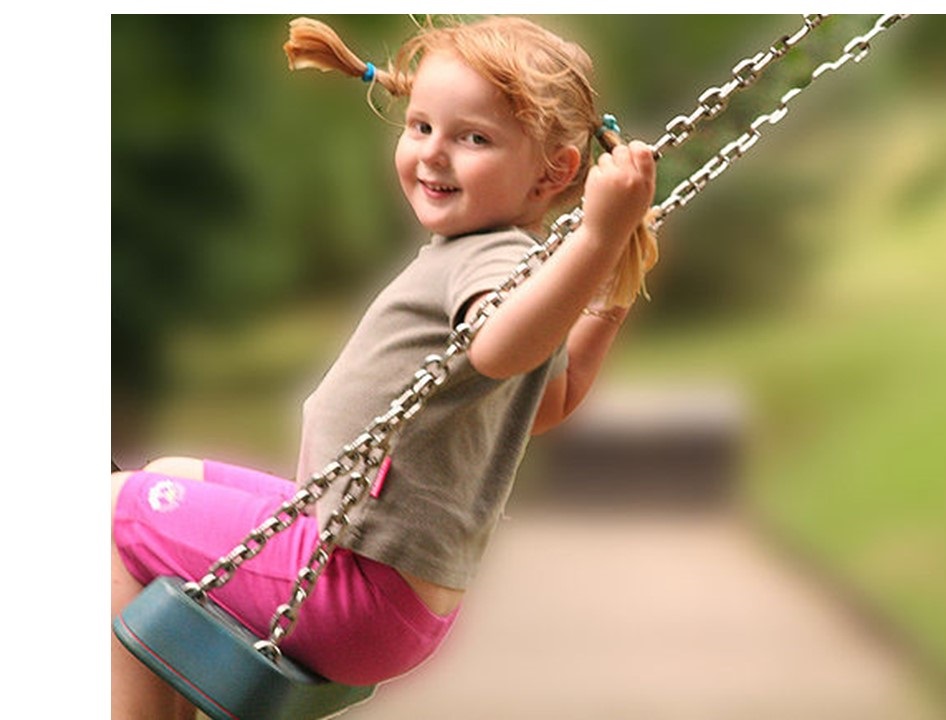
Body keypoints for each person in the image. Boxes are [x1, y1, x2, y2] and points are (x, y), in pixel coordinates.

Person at [111, 15, 658, 718]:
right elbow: (551, 400)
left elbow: (497, 345)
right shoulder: (522, 272)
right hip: (384, 588)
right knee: (167, 477)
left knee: (110, 513)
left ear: (553, 171)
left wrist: (602, 236)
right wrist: (606, 295)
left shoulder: (494, 263)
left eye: (474, 138)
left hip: (354, 586)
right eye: (422, 127)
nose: (433, 155)